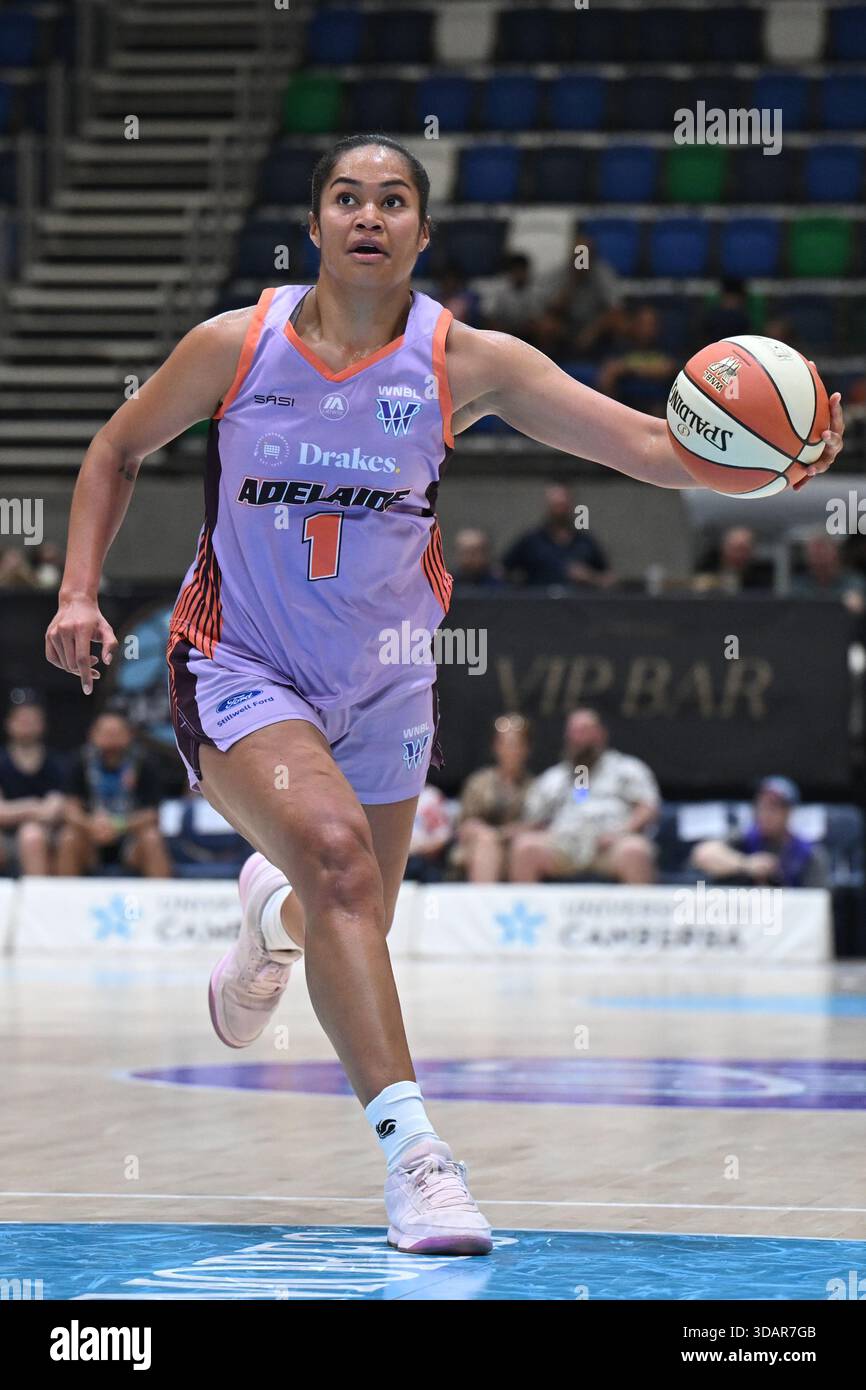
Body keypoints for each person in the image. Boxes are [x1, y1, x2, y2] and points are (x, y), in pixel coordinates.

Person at [44, 133, 844, 1257]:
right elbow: (115, 451)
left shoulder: (467, 362)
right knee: (334, 860)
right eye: (344, 197)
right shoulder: (236, 343)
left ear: (422, 233)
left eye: (391, 201)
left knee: (345, 909)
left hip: (387, 685)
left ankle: (264, 930)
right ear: (315, 224)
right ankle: (418, 1160)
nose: (367, 216)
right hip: (238, 659)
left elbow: (652, 448)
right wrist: (80, 588)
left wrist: (773, 458)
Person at [509, 707, 661, 884]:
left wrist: (623, 832)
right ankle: (527, 911)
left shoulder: (626, 768)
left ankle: (639, 911)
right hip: (563, 845)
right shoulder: (554, 777)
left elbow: (648, 807)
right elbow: (533, 819)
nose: (578, 738)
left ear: (601, 734)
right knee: (525, 847)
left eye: (584, 731)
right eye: (573, 732)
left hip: (609, 845)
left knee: (636, 850)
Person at [58, 711, 172, 877]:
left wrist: (118, 825)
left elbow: (152, 814)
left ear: (129, 735)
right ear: (93, 735)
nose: (111, 739)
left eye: (117, 733)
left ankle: (162, 897)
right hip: (90, 837)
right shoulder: (79, 761)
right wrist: (91, 825)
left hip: (130, 838)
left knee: (152, 838)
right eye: (106, 733)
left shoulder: (144, 762)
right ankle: (64, 900)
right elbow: (70, 809)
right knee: (68, 837)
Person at [690, 776, 828, 888]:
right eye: (761, 806)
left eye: (773, 807)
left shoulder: (808, 854)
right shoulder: (745, 838)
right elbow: (702, 854)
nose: (765, 813)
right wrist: (747, 864)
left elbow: (817, 905)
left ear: (788, 812)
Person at [453, 712, 532, 883]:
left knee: (525, 848)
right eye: (505, 744)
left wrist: (511, 833)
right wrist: (491, 835)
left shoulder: (535, 787)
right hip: (479, 845)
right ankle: (483, 908)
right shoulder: (479, 782)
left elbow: (537, 823)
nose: (511, 750)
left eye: (516, 744)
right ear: (496, 747)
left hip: (516, 847)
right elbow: (464, 825)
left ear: (526, 749)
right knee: (487, 845)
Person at [0, 694, 66, 875]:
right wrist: (32, 806)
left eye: (32, 720)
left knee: (31, 835)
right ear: (9, 724)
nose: (26, 725)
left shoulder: (56, 763)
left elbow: (54, 810)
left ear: (42, 724)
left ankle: (39, 899)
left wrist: (16, 811)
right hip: (4, 836)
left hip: (44, 834)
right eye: (21, 720)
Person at [503, 483, 612, 589]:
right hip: (539, 605)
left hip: (577, 605)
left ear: (571, 505)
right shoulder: (531, 541)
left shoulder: (585, 542)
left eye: (563, 505)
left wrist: (590, 577)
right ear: (547, 506)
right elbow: (502, 571)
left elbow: (609, 580)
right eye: (555, 505)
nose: (559, 510)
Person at [791, 532, 866, 613]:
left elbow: (859, 600)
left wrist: (860, 603)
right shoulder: (799, 585)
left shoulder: (854, 582)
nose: (820, 561)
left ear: (835, 554)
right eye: (815, 555)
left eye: (823, 553)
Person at [694, 525, 773, 593]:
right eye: (735, 549)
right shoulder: (706, 566)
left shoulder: (762, 577)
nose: (739, 555)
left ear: (751, 552)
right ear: (724, 548)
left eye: (744, 550)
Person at [403, 783, 455, 883]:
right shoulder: (387, 795)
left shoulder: (431, 796)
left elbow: (443, 835)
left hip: (423, 861)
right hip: (393, 859)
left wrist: (418, 849)